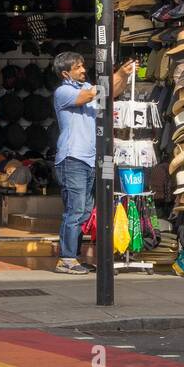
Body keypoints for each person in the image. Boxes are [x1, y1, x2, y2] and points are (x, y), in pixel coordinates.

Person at [52, 51, 135, 275]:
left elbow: (111, 93)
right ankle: (66, 259)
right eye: (77, 67)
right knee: (75, 210)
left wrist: (123, 76)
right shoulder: (64, 92)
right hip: (72, 159)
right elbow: (91, 96)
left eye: (82, 66)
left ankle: (74, 257)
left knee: (86, 211)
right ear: (65, 73)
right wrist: (116, 73)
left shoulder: (87, 87)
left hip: (90, 160)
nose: (83, 70)